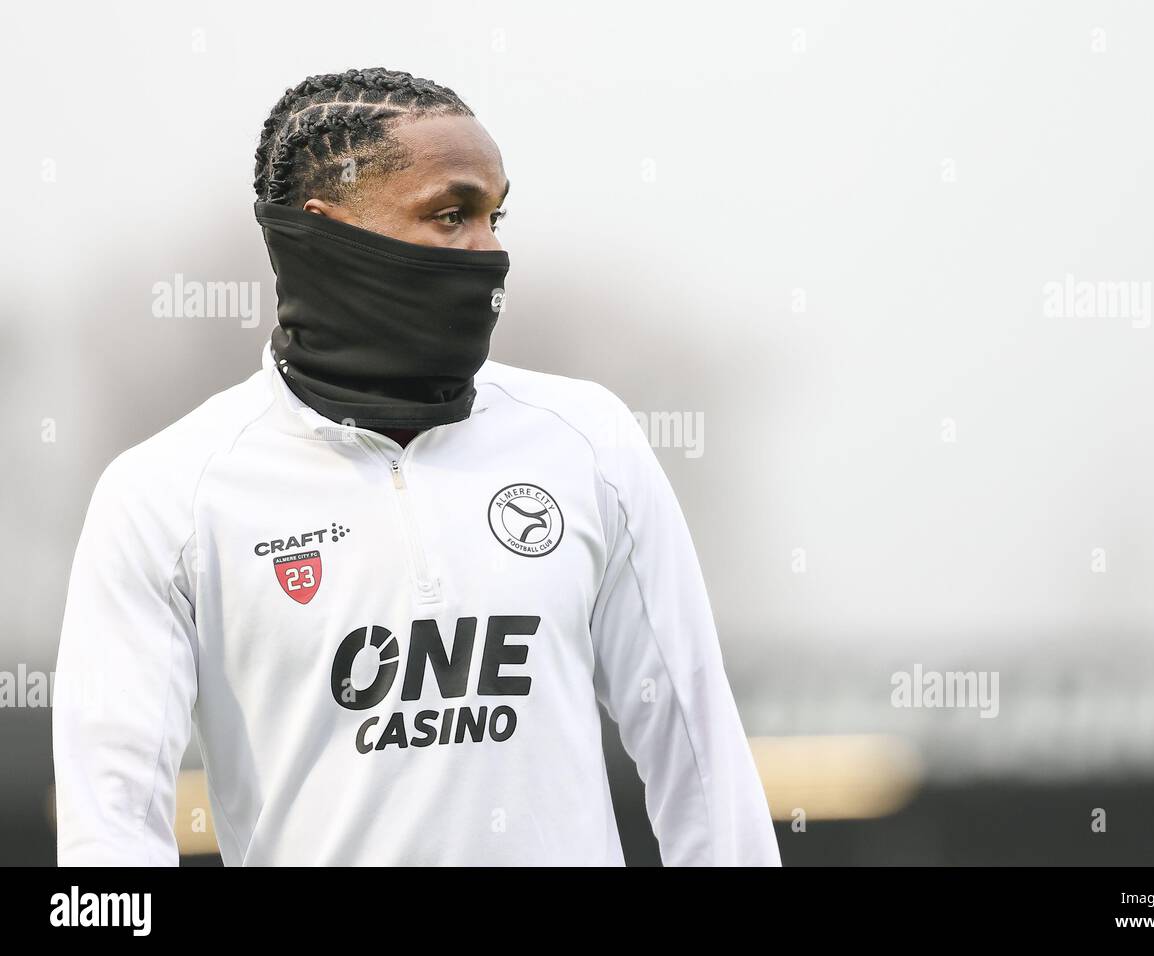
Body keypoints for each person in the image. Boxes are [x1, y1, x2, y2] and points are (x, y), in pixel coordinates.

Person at [52, 67, 779, 866]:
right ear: (326, 235)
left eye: (495, 216)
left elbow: (702, 761)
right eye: (451, 215)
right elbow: (110, 832)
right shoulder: (165, 495)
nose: (491, 250)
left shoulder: (588, 440)